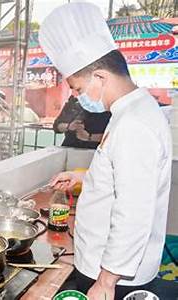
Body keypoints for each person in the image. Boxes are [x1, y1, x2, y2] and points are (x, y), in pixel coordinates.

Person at [40, 3, 171, 299]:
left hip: (114, 275)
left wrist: (107, 281)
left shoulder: (135, 124)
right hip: (103, 263)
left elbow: (134, 211)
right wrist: (81, 178)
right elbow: (122, 178)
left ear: (99, 77)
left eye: (76, 88)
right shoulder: (132, 112)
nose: (76, 96)